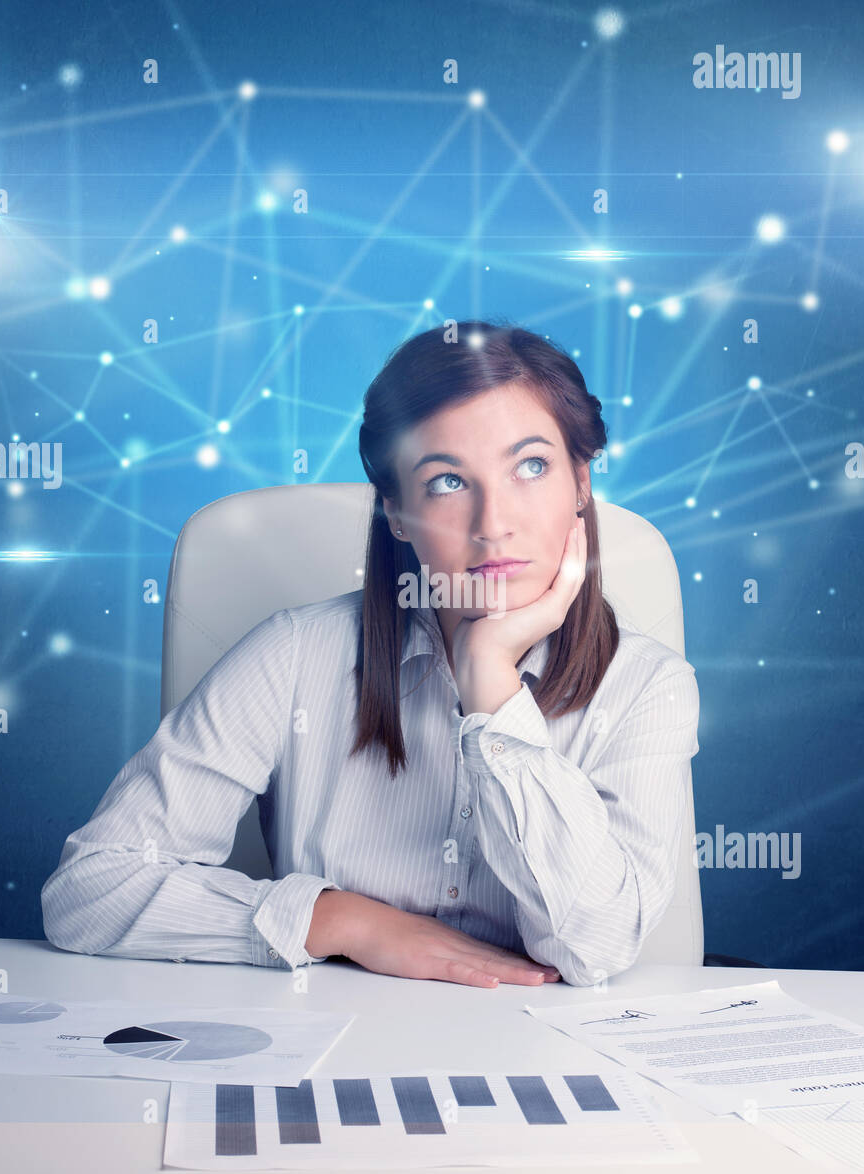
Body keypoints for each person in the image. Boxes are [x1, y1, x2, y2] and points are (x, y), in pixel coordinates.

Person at [41, 321, 700, 988]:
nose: (494, 522)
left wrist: (493, 691)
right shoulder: (294, 656)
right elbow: (89, 894)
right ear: (396, 511)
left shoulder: (647, 687)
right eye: (447, 481)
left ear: (582, 482)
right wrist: (348, 921)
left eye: (532, 467)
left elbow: (596, 947)